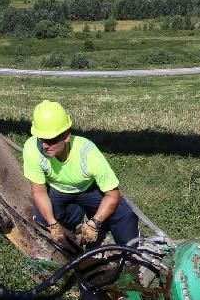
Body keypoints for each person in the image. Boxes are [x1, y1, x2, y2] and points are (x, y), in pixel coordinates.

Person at [22, 99, 139, 247]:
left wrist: (94, 223)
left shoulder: (88, 154)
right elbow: (39, 192)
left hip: (88, 190)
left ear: (66, 136)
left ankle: (130, 253)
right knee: (42, 218)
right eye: (42, 139)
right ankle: (77, 219)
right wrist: (53, 225)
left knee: (124, 214)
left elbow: (112, 195)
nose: (45, 146)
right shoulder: (33, 148)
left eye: (51, 140)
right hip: (58, 190)